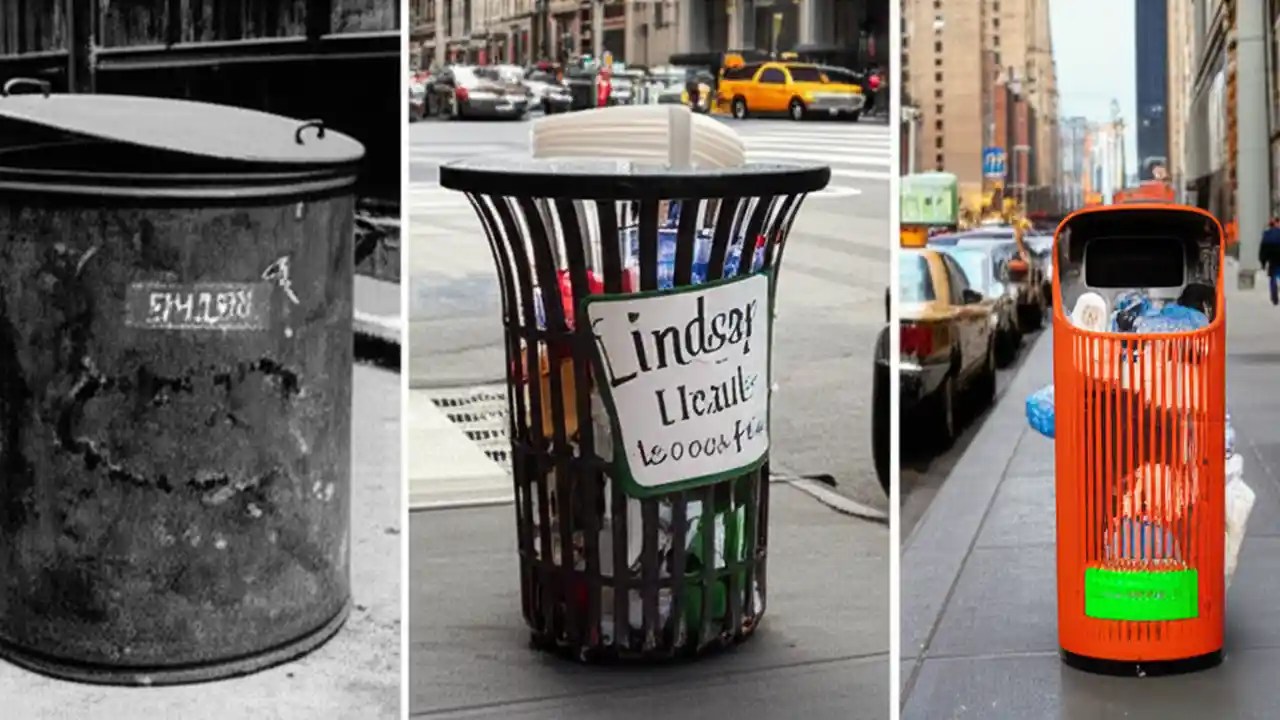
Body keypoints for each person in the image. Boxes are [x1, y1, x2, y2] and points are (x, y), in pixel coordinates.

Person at [1260, 218, 1280, 305]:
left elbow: (1263, 250)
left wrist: (1263, 262)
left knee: (1273, 277)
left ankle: (1274, 296)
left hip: (1272, 259)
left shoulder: (1267, 234)